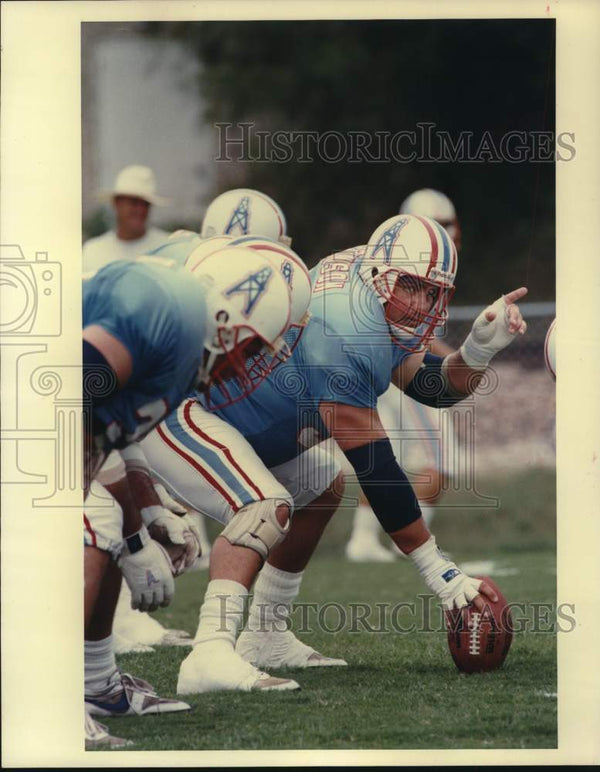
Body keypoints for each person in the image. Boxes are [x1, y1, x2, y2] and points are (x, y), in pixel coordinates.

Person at [140, 213, 527, 694]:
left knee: (322, 485)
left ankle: (265, 635)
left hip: (258, 420)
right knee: (261, 506)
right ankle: (210, 652)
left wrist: (476, 352)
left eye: (434, 292)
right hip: (192, 408)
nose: (423, 304)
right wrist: (442, 574)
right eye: (411, 287)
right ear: (381, 277)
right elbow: (378, 471)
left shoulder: (373, 296)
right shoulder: (344, 325)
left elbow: (431, 385)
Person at [83, 246, 295, 745]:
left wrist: (151, 512)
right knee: (96, 514)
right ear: (225, 319)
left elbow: (115, 432)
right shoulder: (168, 305)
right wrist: (134, 542)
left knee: (111, 505)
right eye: (250, 348)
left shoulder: (183, 349)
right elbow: (72, 387)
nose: (245, 367)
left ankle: (95, 685)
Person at [346, 189, 462, 561]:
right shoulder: (413, 264)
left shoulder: (412, 260)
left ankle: (365, 540)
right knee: (441, 460)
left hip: (393, 367)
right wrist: (465, 359)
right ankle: (411, 545)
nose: (449, 232)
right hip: (405, 369)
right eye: (439, 225)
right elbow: (411, 337)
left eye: (448, 223)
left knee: (386, 456)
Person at [83, 165, 170, 275]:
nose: (140, 210)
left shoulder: (167, 248)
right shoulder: (93, 251)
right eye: (134, 202)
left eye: (145, 204)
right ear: (116, 203)